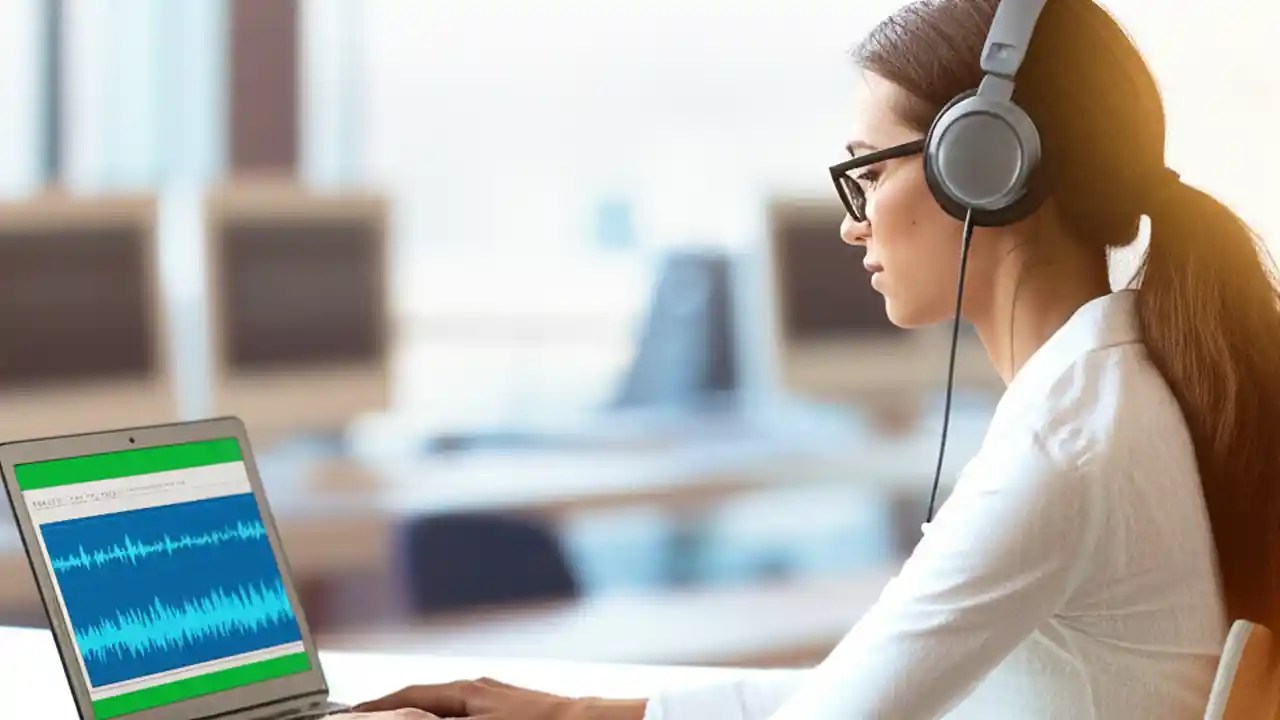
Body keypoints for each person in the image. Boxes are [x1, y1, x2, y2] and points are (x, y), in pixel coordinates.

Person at [346, 0, 1280, 717]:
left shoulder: (1066, 446)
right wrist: (578, 710)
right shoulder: (1119, 387)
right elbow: (848, 693)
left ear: (986, 168)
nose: (851, 221)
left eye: (870, 172)